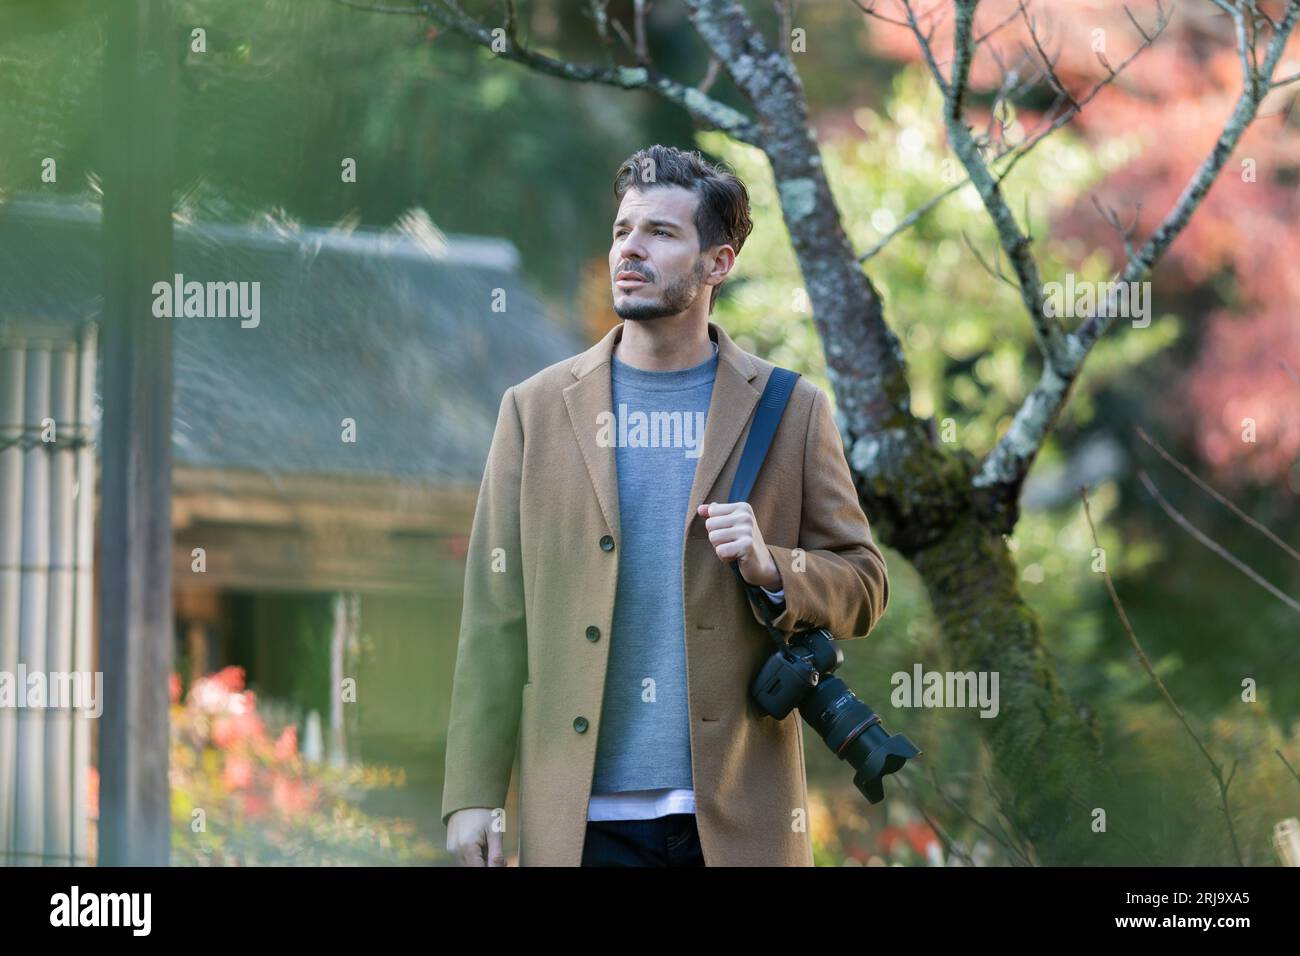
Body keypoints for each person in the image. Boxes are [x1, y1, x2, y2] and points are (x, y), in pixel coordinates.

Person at [442, 144, 889, 866]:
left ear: (718, 263)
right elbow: (494, 620)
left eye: (661, 233)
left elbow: (865, 584)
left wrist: (776, 567)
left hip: (737, 822)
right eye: (623, 230)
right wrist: (472, 792)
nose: (631, 249)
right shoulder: (533, 412)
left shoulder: (793, 409)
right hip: (579, 826)